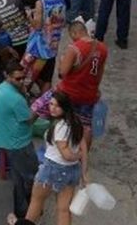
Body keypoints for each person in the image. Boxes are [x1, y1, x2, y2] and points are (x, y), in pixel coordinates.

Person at [33, 20, 107, 152]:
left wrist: (62, 61)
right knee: (85, 126)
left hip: (67, 92)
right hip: (88, 95)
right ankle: (83, 156)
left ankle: (24, 132)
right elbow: (99, 73)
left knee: (39, 106)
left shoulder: (74, 48)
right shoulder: (102, 48)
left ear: (74, 32)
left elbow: (62, 73)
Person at [19, 93, 88, 225]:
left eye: (57, 106)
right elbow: (84, 148)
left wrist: (76, 155)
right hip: (72, 170)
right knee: (63, 210)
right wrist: (84, 173)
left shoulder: (60, 127)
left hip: (52, 168)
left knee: (36, 202)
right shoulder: (76, 122)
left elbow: (66, 155)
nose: (53, 108)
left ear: (65, 107)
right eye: (51, 104)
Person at [0, 61, 39, 225]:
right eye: (18, 79)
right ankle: (30, 211)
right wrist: (39, 109)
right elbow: (29, 119)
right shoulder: (15, 99)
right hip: (20, 144)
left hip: (8, 141)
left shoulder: (2, 88)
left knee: (19, 179)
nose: (21, 82)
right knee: (31, 178)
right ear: (7, 76)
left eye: (23, 78)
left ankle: (21, 211)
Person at [21, 0, 67, 93]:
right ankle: (44, 103)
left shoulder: (41, 3)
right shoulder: (61, 0)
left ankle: (25, 97)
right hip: (53, 45)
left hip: (38, 47)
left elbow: (37, 26)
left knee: (28, 75)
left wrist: (29, 16)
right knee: (47, 78)